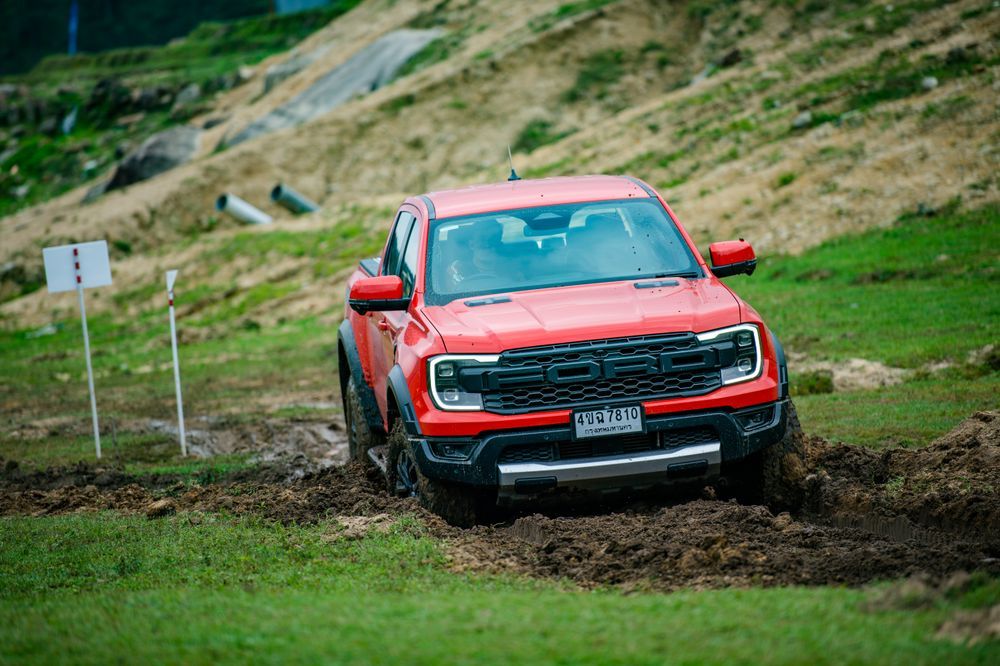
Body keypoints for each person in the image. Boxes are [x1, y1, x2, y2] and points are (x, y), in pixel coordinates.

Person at [447, 220, 505, 286]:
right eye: (482, 239)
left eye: (493, 239)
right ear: (471, 245)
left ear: (500, 243)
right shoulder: (457, 269)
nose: (487, 244)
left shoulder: (511, 267)